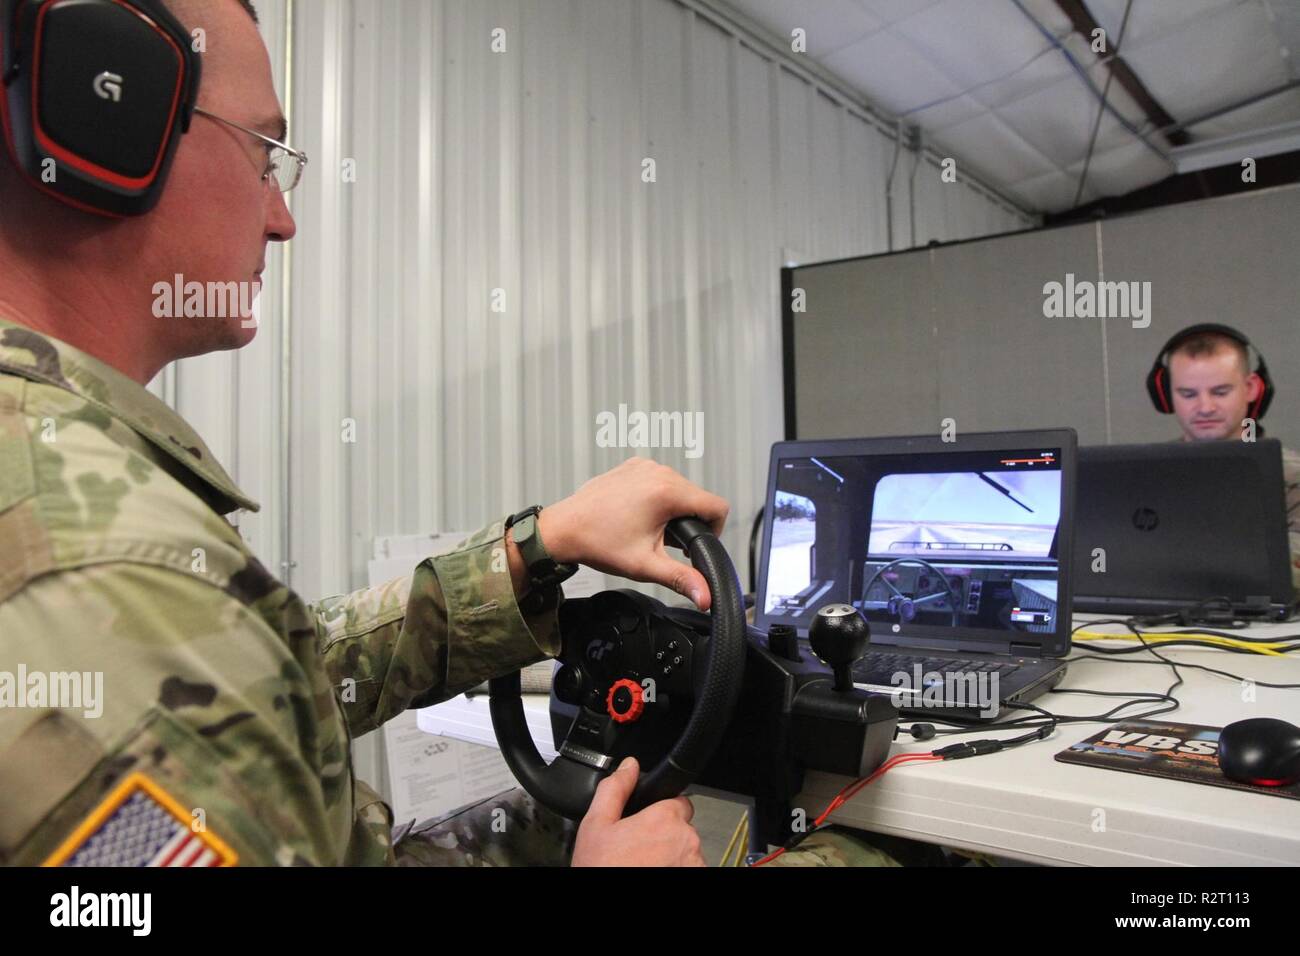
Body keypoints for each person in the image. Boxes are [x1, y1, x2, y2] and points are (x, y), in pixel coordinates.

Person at [0, 0, 894, 867]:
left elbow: (276, 683)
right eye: (266, 155)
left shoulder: (70, 493)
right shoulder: (105, 570)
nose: (283, 217)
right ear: (105, 119)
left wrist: (534, 550)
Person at [1149, 324, 1300, 587]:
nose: (1205, 407)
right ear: (1165, 395)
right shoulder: (1149, 473)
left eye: (1220, 392)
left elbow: (1289, 569)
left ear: (1252, 388)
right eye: (1188, 394)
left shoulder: (1289, 474)